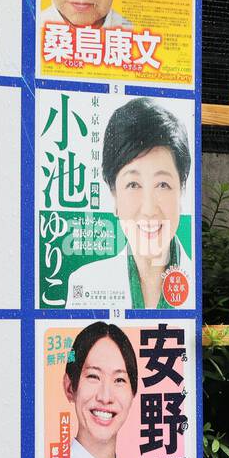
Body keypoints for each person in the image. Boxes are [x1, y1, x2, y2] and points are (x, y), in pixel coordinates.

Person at [68, 98, 191, 309]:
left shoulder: (201, 284)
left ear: (182, 190)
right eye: (133, 184)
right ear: (114, 195)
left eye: (163, 184)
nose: (149, 209)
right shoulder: (85, 283)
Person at [55, 322, 149, 458]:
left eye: (119, 380)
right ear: (70, 387)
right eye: (93, 376)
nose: (105, 397)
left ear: (133, 393)